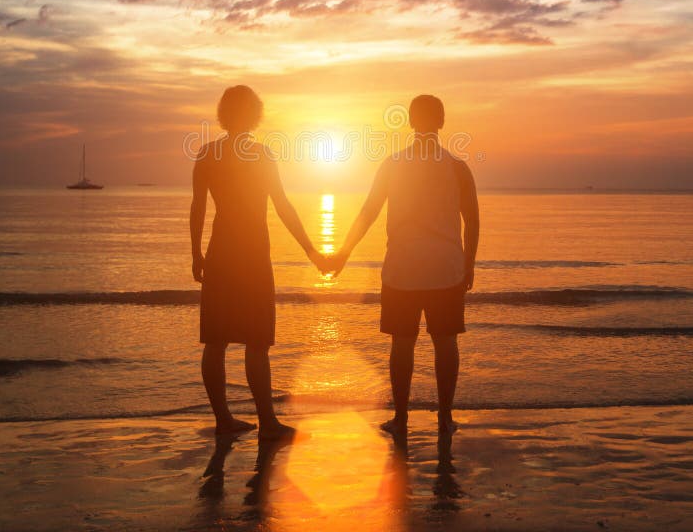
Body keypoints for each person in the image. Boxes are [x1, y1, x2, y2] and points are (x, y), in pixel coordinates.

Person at [324, 95, 479, 436]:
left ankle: (402, 417)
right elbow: (473, 220)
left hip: (403, 268)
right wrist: (469, 263)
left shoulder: (393, 164)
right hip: (445, 267)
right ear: (440, 121)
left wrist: (343, 253)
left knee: (402, 342)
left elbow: (368, 212)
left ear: (410, 121)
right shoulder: (456, 166)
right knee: (445, 341)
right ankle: (445, 416)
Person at [190, 85, 326, 439]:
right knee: (256, 341)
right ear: (254, 114)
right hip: (251, 254)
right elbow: (283, 206)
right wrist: (312, 251)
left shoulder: (207, 154)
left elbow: (198, 208)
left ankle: (225, 420)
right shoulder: (261, 155)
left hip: (221, 252)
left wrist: (196, 252)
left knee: (216, 340)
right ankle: (266, 422)